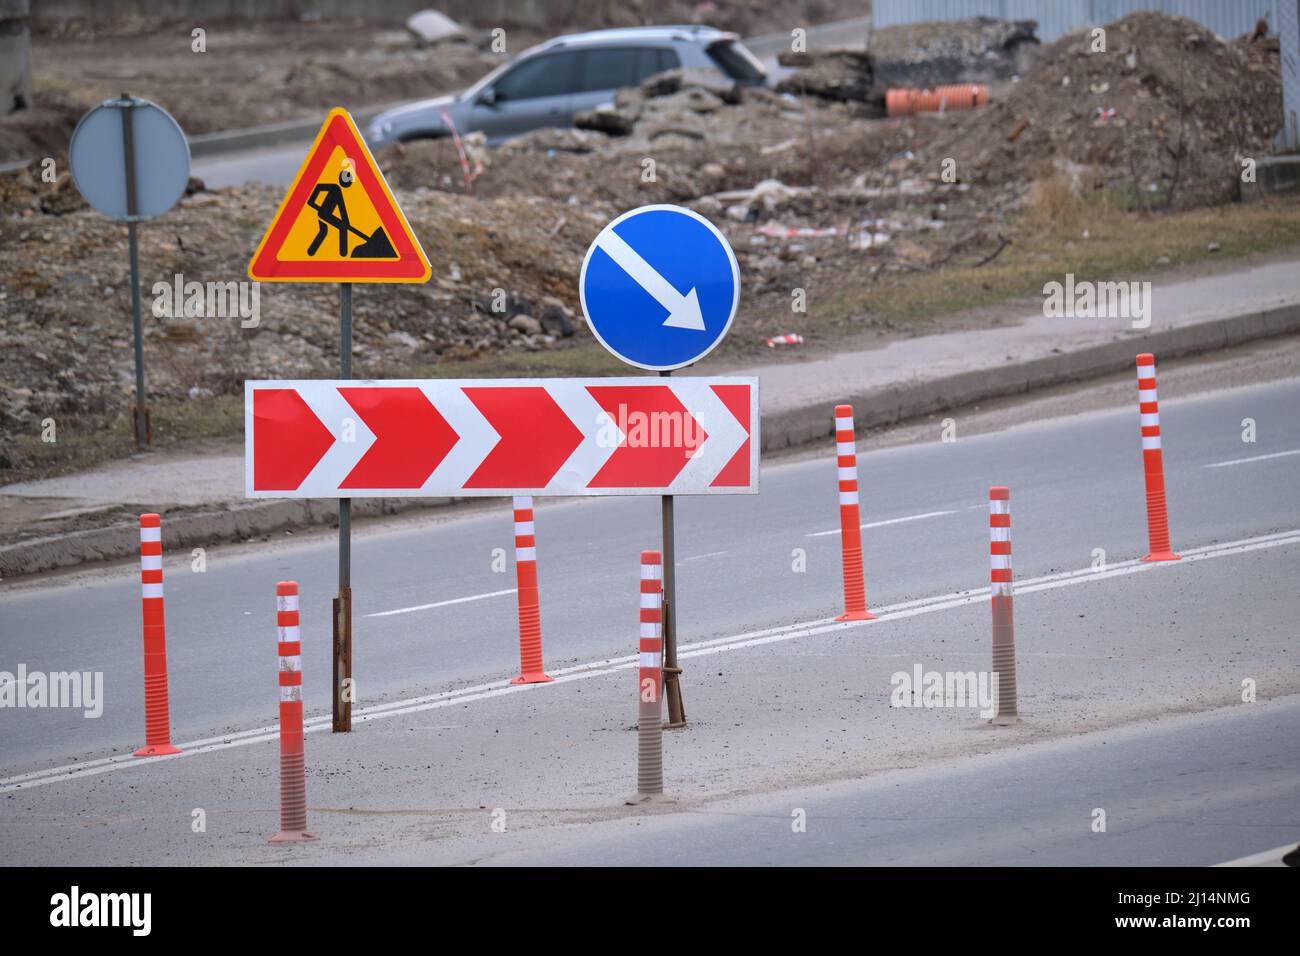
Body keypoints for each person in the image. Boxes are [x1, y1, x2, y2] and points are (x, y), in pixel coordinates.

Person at [306, 169, 353, 257]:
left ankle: (310, 252)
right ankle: (343, 255)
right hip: (324, 214)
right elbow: (318, 188)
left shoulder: (337, 189)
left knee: (324, 231)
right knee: (340, 228)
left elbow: (341, 208)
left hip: (325, 214)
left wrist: (346, 222)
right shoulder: (334, 187)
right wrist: (313, 203)